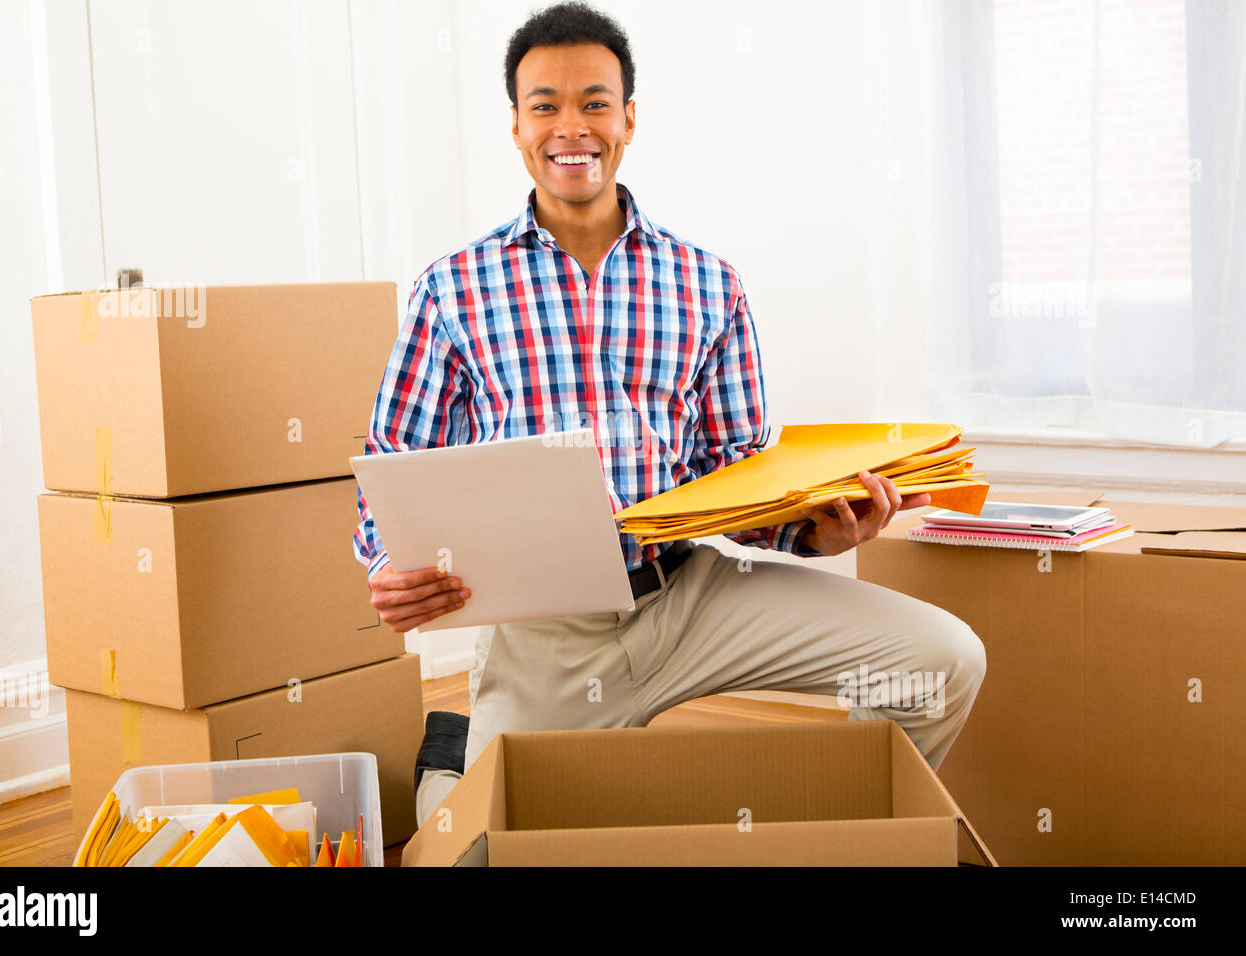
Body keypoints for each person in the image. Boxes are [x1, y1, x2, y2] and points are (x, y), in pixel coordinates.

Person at [353, 1, 986, 829]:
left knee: (941, 662)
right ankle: (450, 759)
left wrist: (814, 534)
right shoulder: (453, 287)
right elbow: (392, 457)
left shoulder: (707, 283)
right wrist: (387, 565)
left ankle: (845, 834)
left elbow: (733, 469)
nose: (570, 126)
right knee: (470, 852)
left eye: (595, 102)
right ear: (515, 126)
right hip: (548, 633)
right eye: (544, 104)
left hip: (692, 597)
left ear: (629, 119)